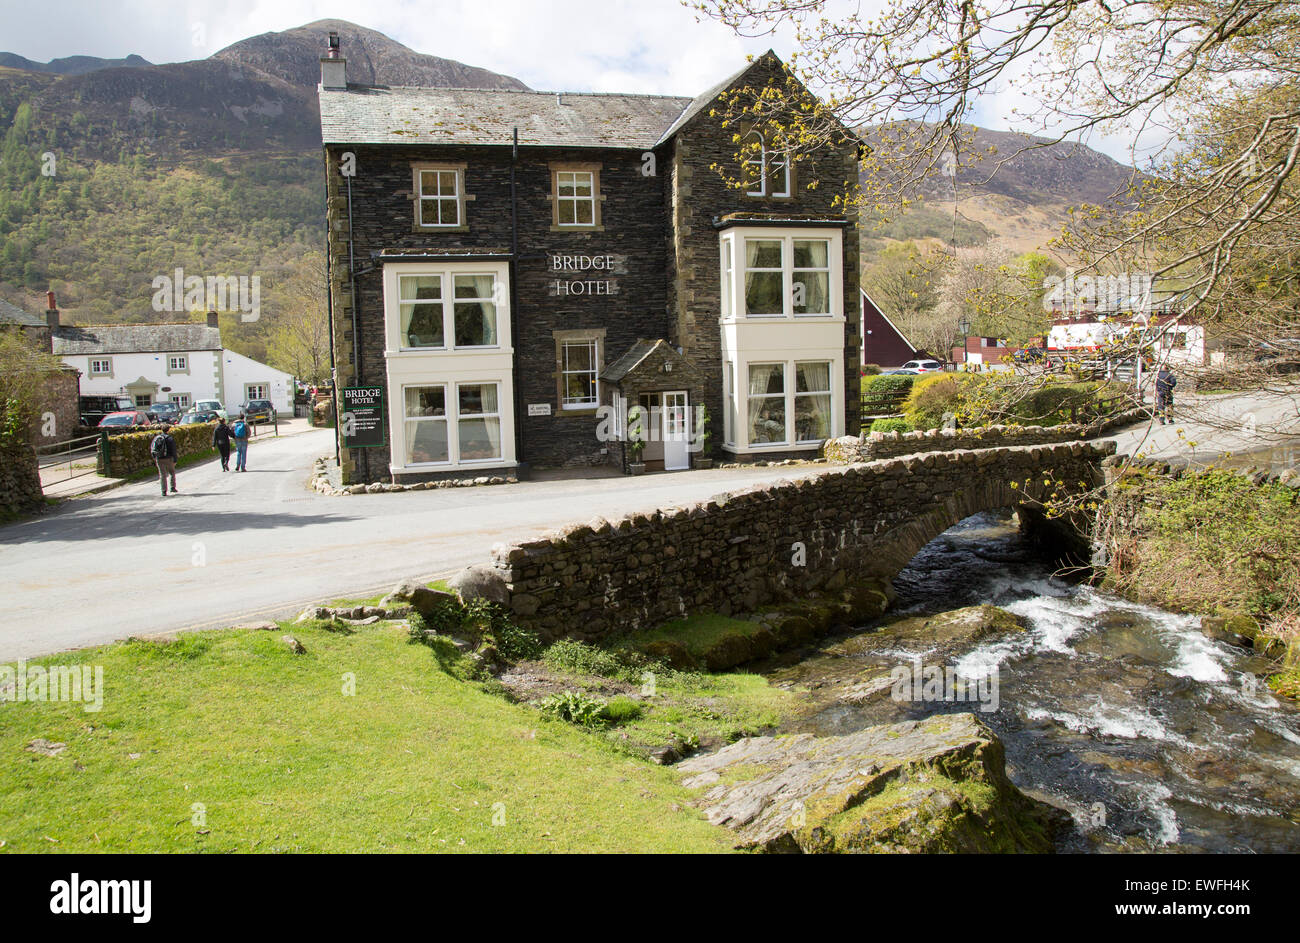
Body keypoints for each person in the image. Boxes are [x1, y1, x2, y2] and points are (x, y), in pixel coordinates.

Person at [150, 423, 178, 496]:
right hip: (169, 458)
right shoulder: (170, 438)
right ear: (168, 430)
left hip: (159, 458)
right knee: (171, 472)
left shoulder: (157, 438)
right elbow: (173, 450)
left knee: (162, 475)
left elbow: (153, 448)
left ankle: (163, 491)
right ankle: (172, 487)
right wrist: (175, 459)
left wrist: (155, 457)